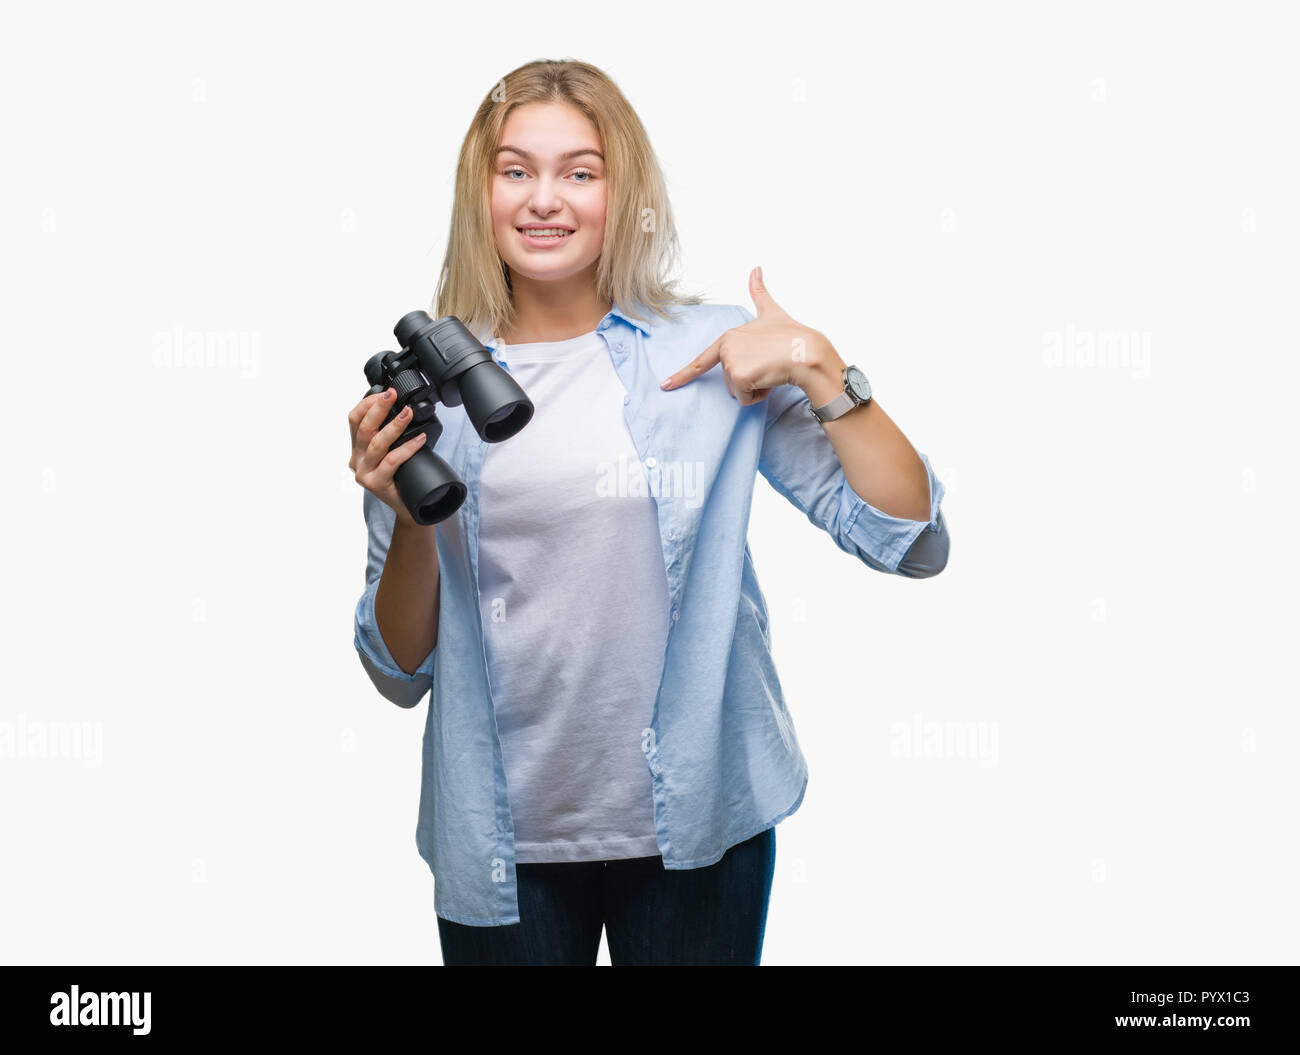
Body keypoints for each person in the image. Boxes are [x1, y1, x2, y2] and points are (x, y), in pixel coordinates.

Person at [347, 59, 950, 966]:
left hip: (699, 816)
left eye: (579, 172)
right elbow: (399, 669)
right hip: (504, 838)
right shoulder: (436, 387)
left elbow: (908, 539)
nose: (544, 198)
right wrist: (402, 508)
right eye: (516, 170)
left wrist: (818, 364)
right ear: (480, 193)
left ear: (623, 194)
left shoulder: (710, 356)